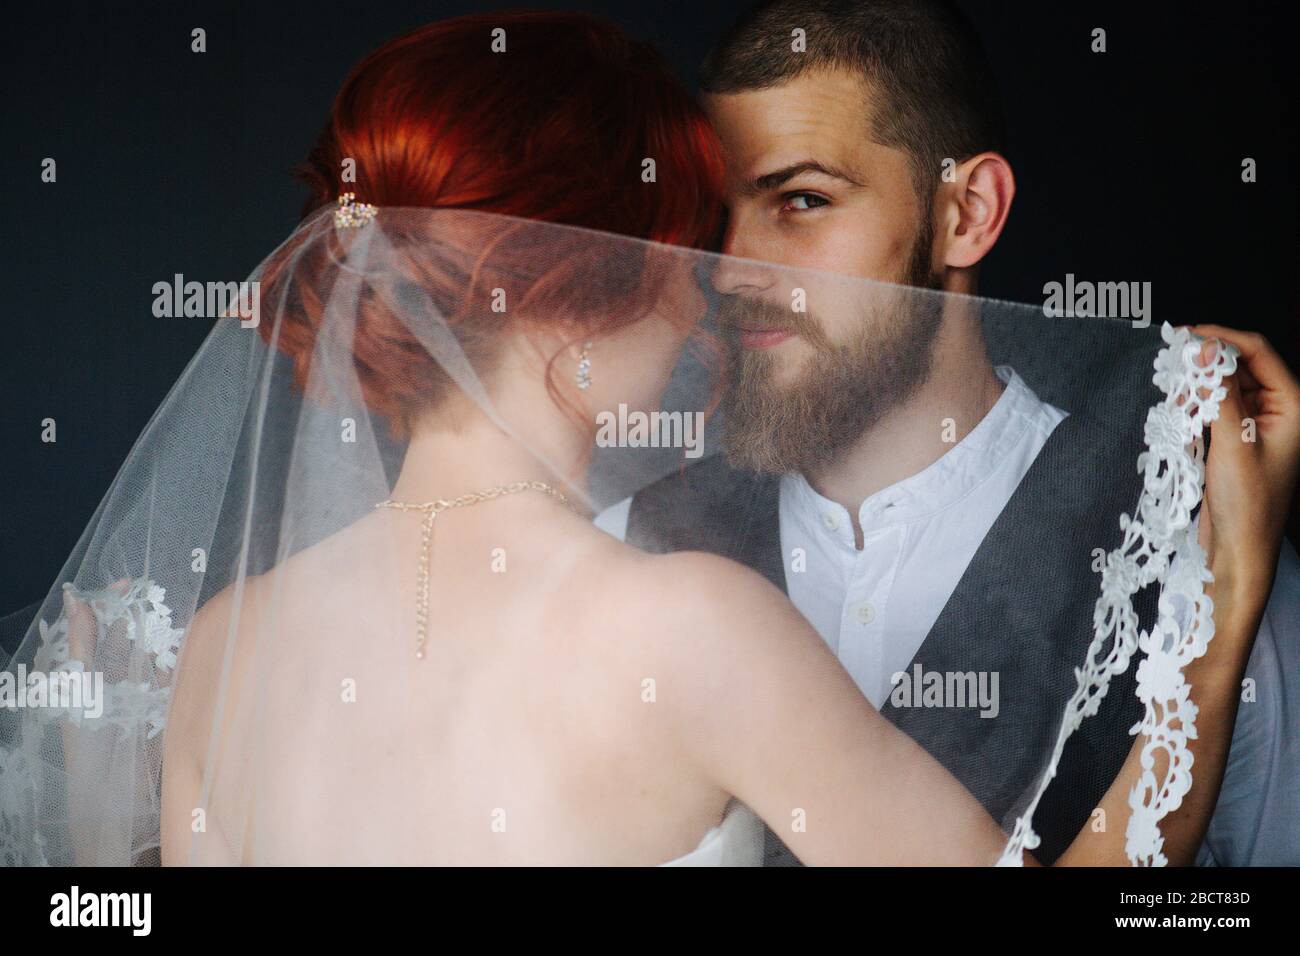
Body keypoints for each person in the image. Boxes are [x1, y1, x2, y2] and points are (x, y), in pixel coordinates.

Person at [1, 12, 1293, 869]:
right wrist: (1220, 610)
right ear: (569, 312)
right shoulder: (687, 625)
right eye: (669, 253)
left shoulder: (234, 638)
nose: (707, 289)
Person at [619, 0, 1300, 865]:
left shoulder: (1198, 558)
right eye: (714, 219)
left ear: (968, 212)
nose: (732, 269)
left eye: (800, 198)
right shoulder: (631, 547)